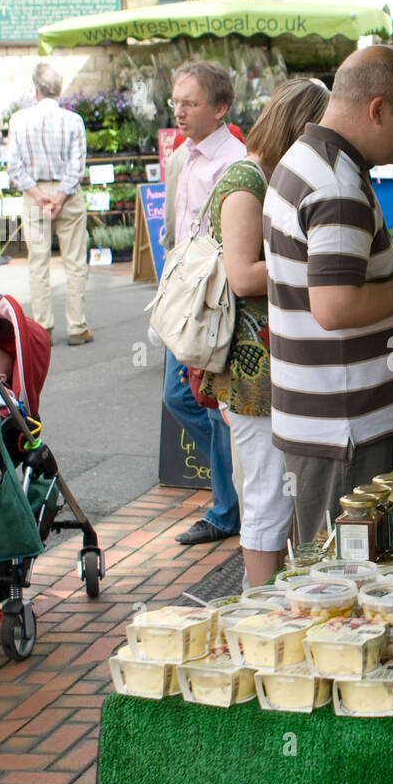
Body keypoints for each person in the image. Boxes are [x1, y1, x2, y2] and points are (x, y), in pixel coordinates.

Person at [264, 46, 393, 544]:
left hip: (332, 419)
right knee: (345, 574)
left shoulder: (313, 160)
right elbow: (335, 307)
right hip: (343, 427)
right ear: (377, 109)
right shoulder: (335, 184)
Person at [203, 78, 329, 587]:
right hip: (253, 371)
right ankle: (260, 610)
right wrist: (316, 262)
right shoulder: (246, 181)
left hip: (275, 361)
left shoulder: (272, 177)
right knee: (266, 496)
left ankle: (285, 599)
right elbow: (242, 275)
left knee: (282, 492)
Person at [161, 60, 246, 547]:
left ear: (220, 108)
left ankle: (225, 508)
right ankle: (230, 487)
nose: (180, 112)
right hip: (183, 297)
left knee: (213, 406)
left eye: (190, 103)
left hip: (214, 301)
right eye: (176, 102)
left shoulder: (234, 162)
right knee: (182, 399)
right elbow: (177, 224)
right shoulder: (183, 157)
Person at [6, 64, 92, 346]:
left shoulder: (19, 119)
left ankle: (43, 327)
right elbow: (77, 164)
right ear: (60, 88)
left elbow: (14, 165)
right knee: (75, 261)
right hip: (67, 194)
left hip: (34, 192)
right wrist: (61, 196)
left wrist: (39, 194)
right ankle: (77, 326)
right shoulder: (73, 120)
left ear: (36, 89)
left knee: (38, 262)